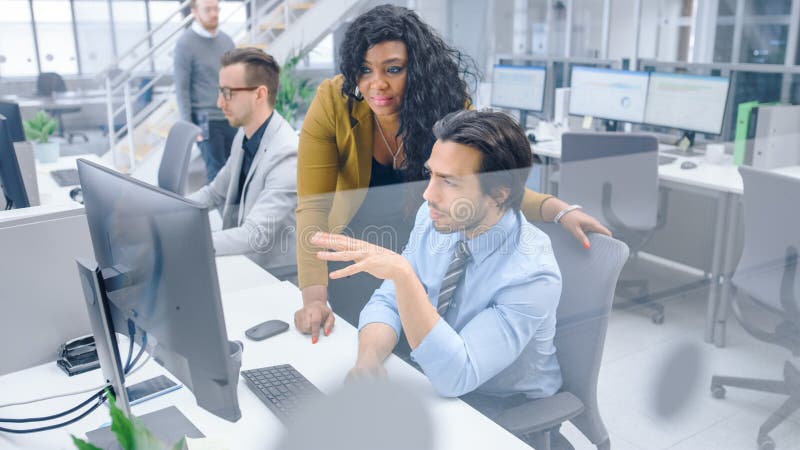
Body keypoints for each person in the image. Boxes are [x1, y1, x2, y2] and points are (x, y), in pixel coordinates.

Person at [294, 4, 608, 343]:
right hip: (355, 260)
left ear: (417, 69)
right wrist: (314, 298)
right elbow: (313, 205)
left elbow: (488, 184)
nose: (377, 84)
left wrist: (557, 209)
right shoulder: (333, 101)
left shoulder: (445, 104)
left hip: (425, 261)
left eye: (393, 69)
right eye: (365, 70)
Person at [314, 110, 562, 406]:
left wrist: (403, 275)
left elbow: (458, 376)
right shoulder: (435, 220)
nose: (428, 195)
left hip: (501, 405)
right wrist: (368, 361)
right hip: (432, 377)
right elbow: (388, 302)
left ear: (498, 194)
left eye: (449, 182)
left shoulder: (532, 273)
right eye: (431, 174)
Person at [187, 48, 297, 274]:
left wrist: (194, 243)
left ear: (259, 95)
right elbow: (214, 193)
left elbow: (255, 234)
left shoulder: (287, 152)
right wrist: (169, 212)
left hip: (274, 277)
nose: (219, 103)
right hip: (243, 262)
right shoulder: (245, 134)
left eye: (228, 93)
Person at [174, 0, 237, 182]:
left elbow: (230, 80)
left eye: (216, 8)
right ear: (194, 12)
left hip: (229, 116)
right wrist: (189, 126)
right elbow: (182, 88)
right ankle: (225, 212)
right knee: (216, 172)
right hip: (205, 120)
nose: (214, 13)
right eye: (208, 9)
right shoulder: (185, 44)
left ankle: (236, 210)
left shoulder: (226, 41)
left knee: (237, 168)